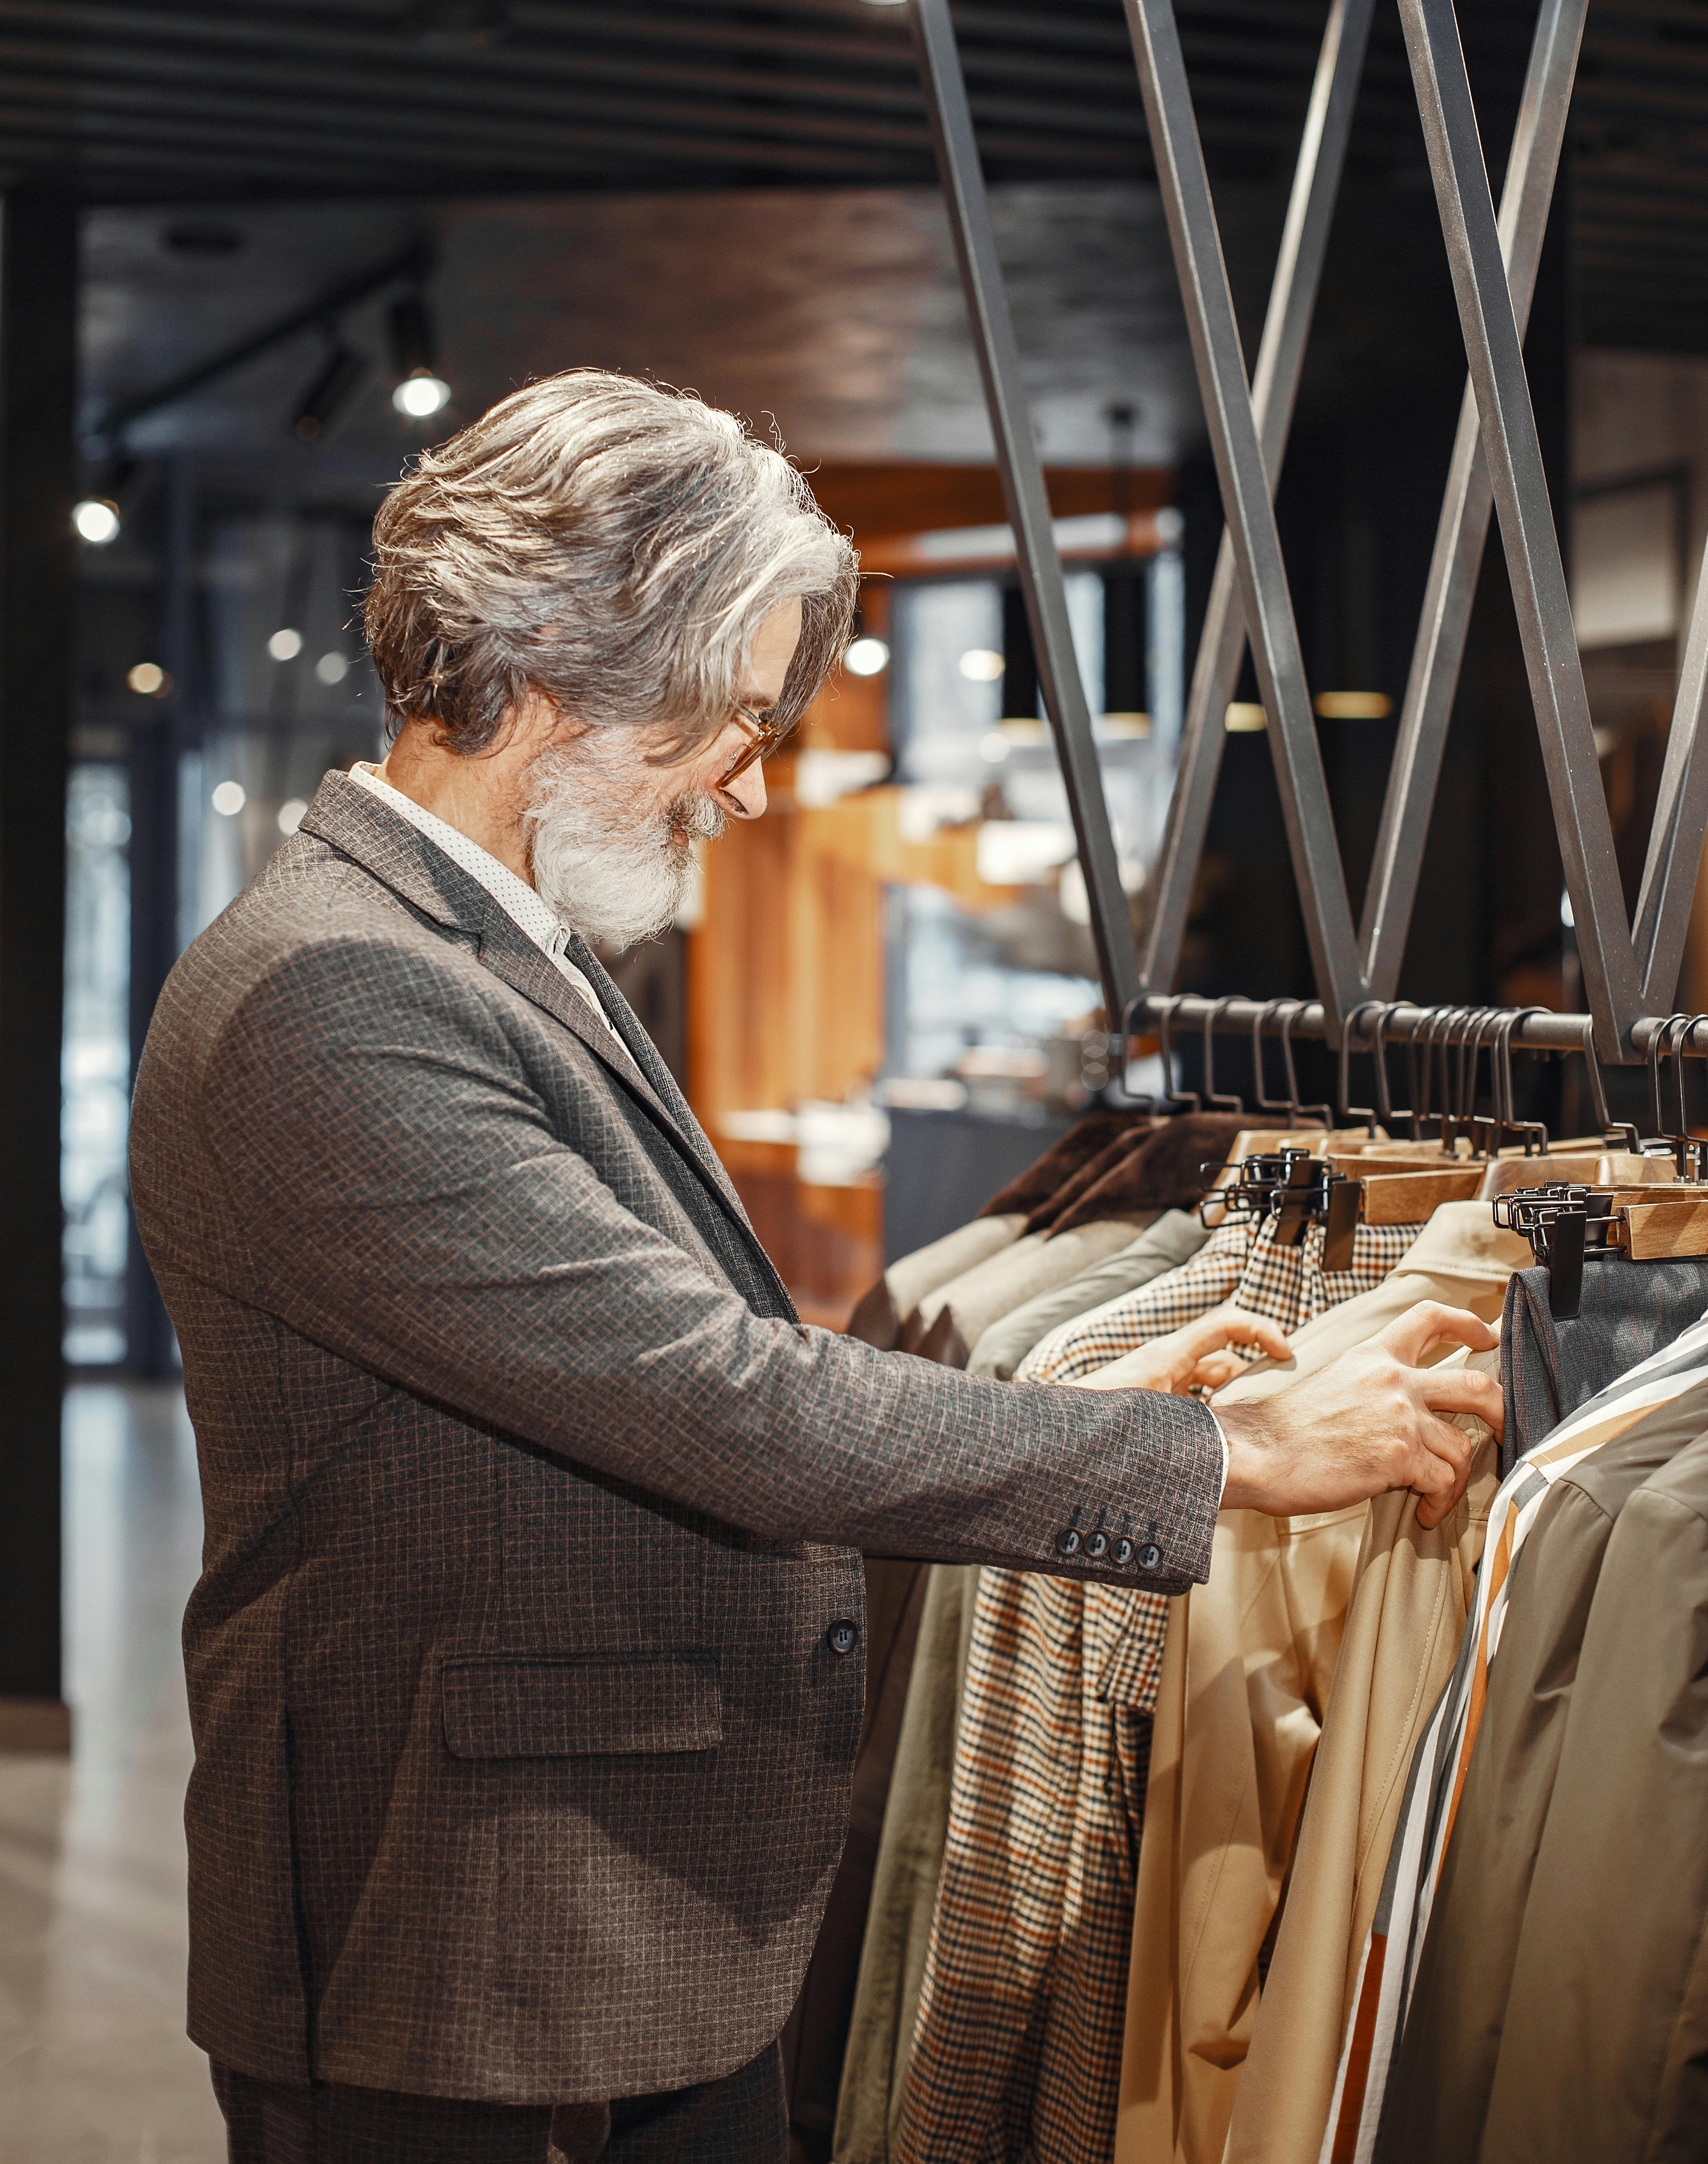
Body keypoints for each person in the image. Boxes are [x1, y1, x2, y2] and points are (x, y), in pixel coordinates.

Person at [129, 371, 1502, 2164]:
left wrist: (1067, 1399)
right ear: (551, 671)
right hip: (465, 1948)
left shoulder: (475, 948)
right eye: (730, 718)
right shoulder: (343, 989)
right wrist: (1227, 1454)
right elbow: (708, 1398)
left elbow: (645, 1373)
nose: (753, 782)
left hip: (573, 1924)